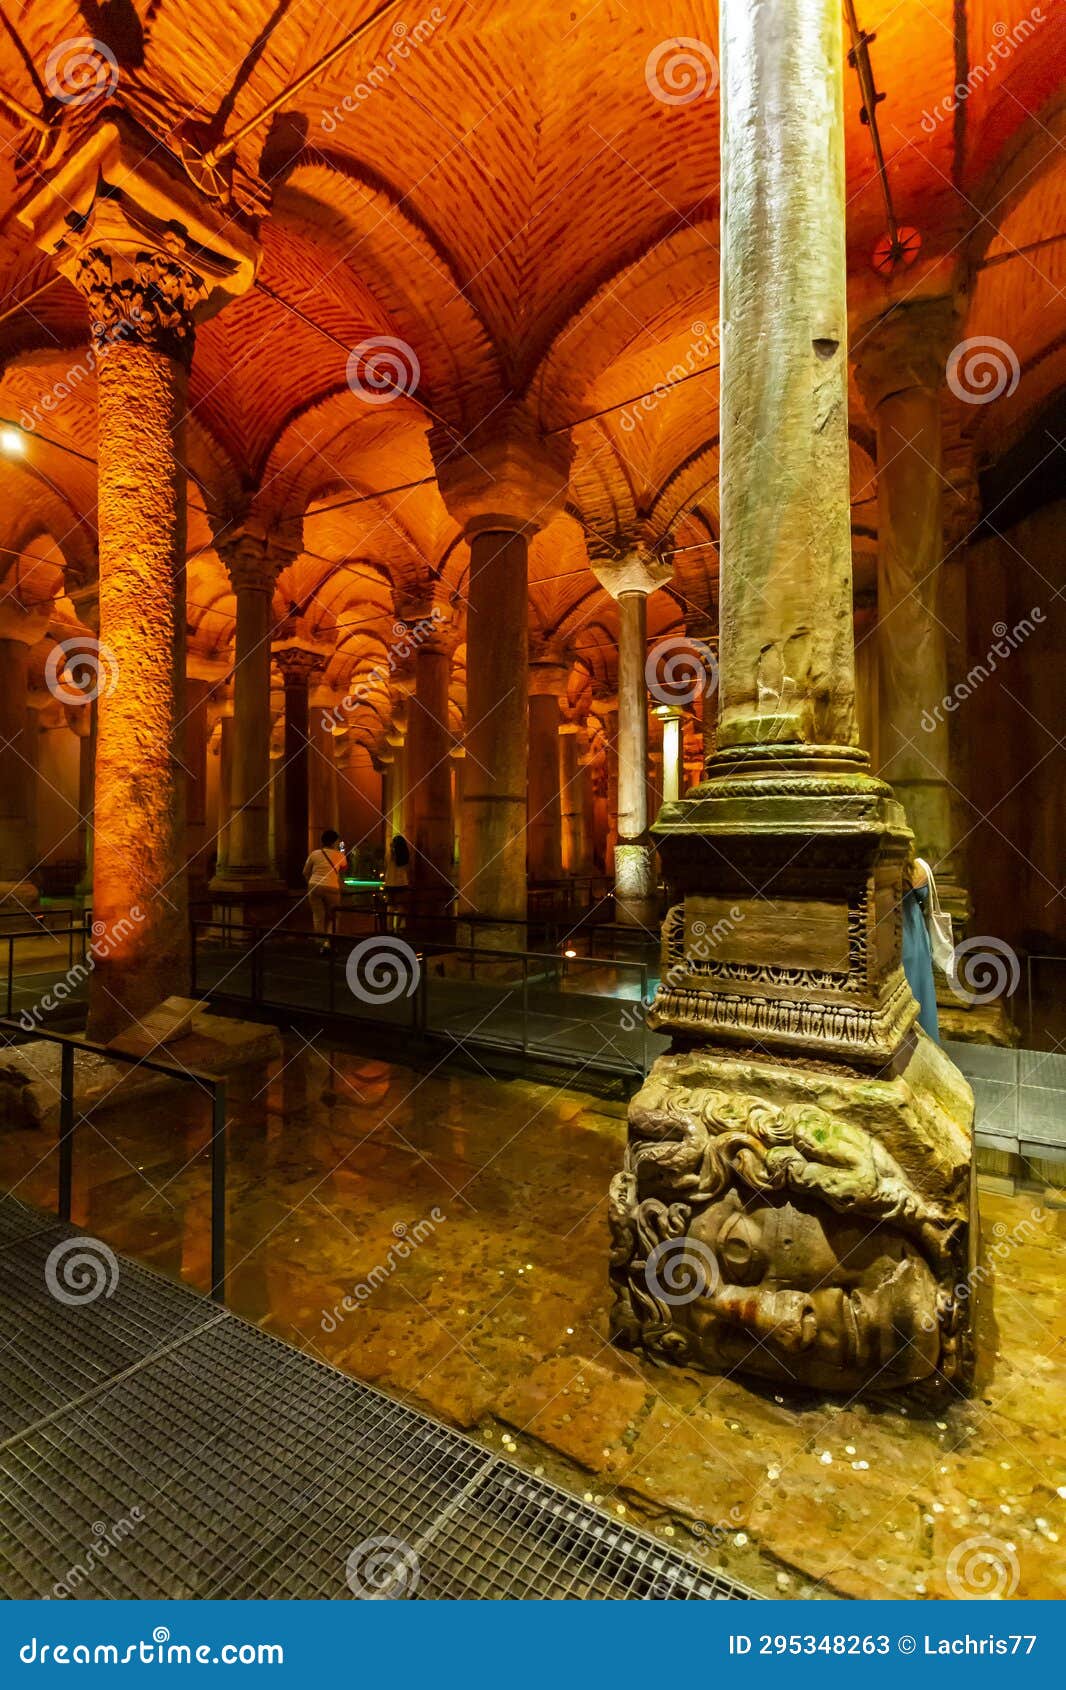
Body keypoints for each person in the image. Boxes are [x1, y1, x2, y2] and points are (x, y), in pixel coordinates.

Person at [901, 854, 939, 1041]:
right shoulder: (917, 868)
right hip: (914, 935)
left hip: (894, 938)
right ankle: (927, 1043)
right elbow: (923, 898)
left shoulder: (884, 869)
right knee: (921, 992)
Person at [303, 829, 347, 952]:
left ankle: (321, 943)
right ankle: (329, 942)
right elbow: (342, 872)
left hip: (314, 885)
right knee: (334, 916)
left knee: (318, 916)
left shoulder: (314, 854)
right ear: (334, 842)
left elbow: (305, 872)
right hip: (332, 887)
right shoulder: (340, 855)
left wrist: (312, 884)